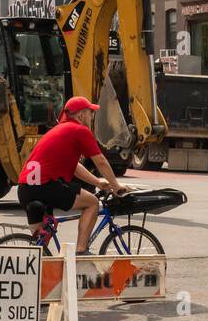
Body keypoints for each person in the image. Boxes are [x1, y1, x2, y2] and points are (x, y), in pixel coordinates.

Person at [17, 95, 129, 251]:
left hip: (25, 189)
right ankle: (81, 252)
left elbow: (75, 167)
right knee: (92, 203)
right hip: (44, 187)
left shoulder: (58, 130)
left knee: (39, 249)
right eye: (90, 113)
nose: (92, 117)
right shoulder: (79, 130)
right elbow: (101, 161)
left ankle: (40, 271)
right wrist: (115, 185)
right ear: (81, 115)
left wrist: (97, 182)